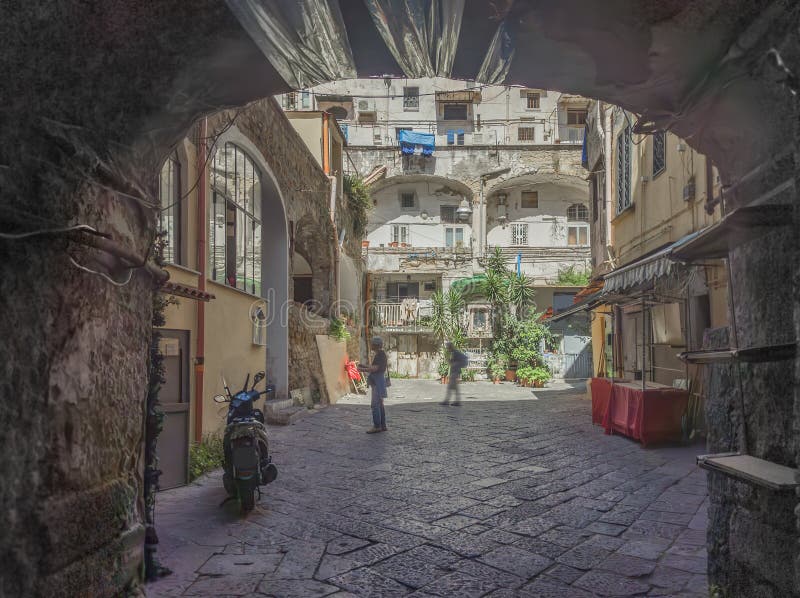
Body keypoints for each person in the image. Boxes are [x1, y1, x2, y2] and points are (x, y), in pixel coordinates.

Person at [358, 336, 388, 433]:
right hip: (379, 381)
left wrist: (363, 370)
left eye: (372, 344)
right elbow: (375, 367)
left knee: (375, 405)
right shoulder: (380, 354)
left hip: (377, 382)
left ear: (376, 345)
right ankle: (382, 425)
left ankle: (377, 426)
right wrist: (365, 366)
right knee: (380, 404)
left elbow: (375, 368)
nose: (370, 345)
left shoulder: (380, 355)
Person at [441, 341, 468, 406]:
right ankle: (456, 401)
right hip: (455, 372)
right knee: (454, 387)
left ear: (450, 347)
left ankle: (448, 401)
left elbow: (451, 364)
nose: (447, 349)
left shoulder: (455, 353)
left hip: (455, 372)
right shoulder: (455, 352)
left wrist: (447, 359)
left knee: (450, 387)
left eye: (447, 347)